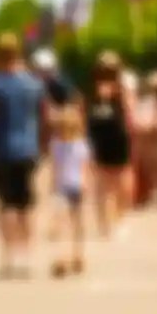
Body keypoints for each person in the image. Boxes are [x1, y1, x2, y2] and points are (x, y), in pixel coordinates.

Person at [0, 32, 45, 278]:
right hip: (28, 150)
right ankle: (26, 256)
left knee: (6, 205)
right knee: (26, 205)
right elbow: (43, 117)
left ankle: (10, 256)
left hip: (3, 150)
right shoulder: (33, 84)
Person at [86, 53, 133, 238]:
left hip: (114, 135)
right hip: (103, 136)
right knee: (106, 182)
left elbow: (129, 111)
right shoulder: (93, 90)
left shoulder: (120, 89)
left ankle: (115, 221)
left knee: (117, 181)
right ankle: (107, 223)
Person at [48, 104, 89, 278]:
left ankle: (64, 257)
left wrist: (52, 185)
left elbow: (55, 167)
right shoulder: (81, 144)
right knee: (76, 223)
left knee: (63, 224)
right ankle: (77, 255)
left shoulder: (56, 144)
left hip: (62, 187)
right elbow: (85, 168)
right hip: (77, 185)